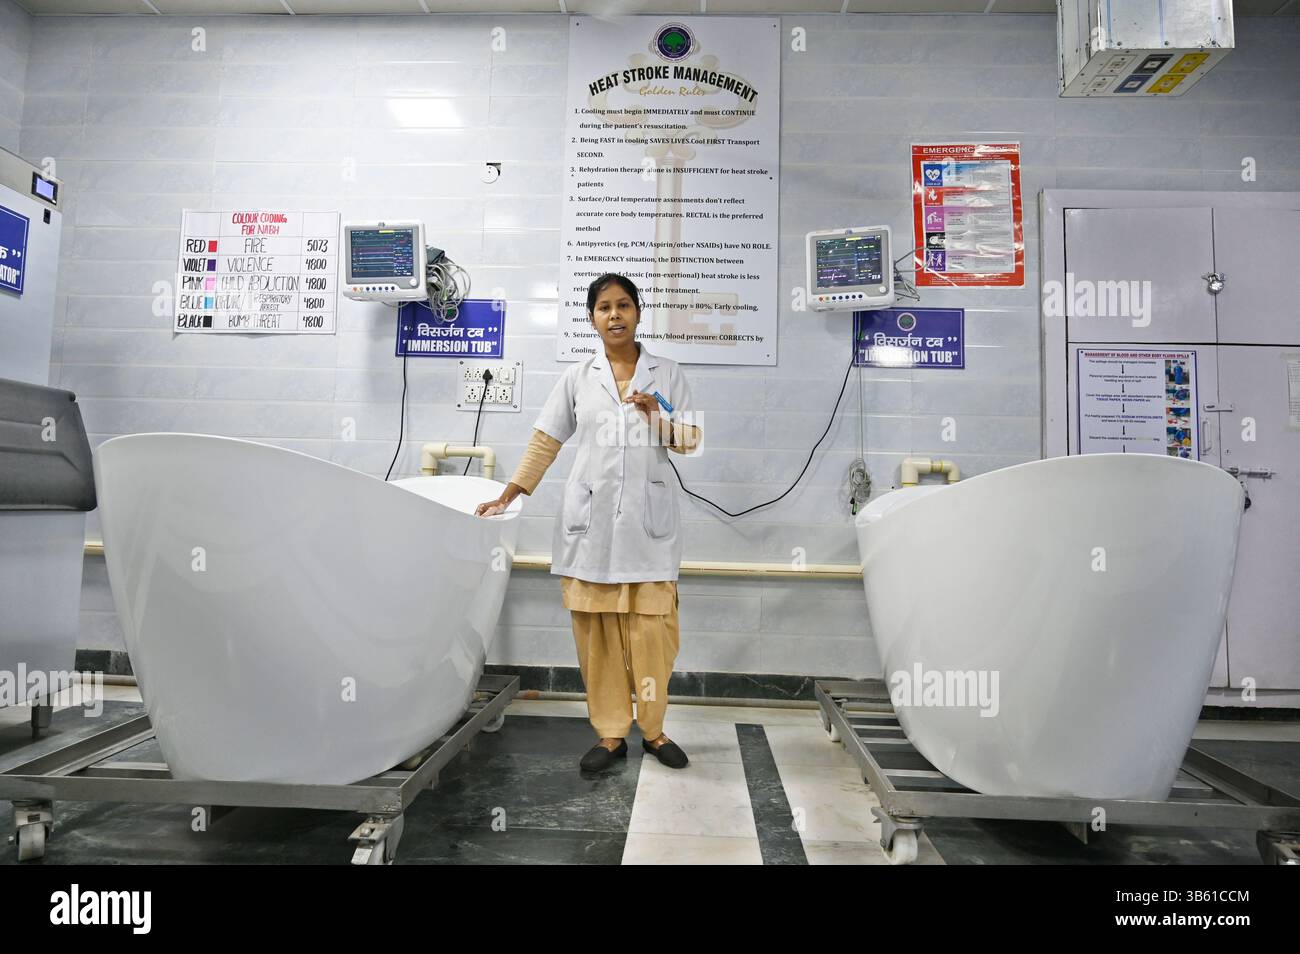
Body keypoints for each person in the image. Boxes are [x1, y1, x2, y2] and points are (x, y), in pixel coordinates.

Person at [476, 273, 701, 772]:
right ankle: (610, 734)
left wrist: (655, 419)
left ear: (639, 313)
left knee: (654, 637)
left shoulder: (667, 373)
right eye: (604, 307)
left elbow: (689, 440)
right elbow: (546, 440)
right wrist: (511, 490)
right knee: (595, 637)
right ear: (592, 318)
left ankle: (656, 731)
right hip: (592, 527)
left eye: (624, 305)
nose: (615, 315)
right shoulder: (579, 376)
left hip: (649, 529)